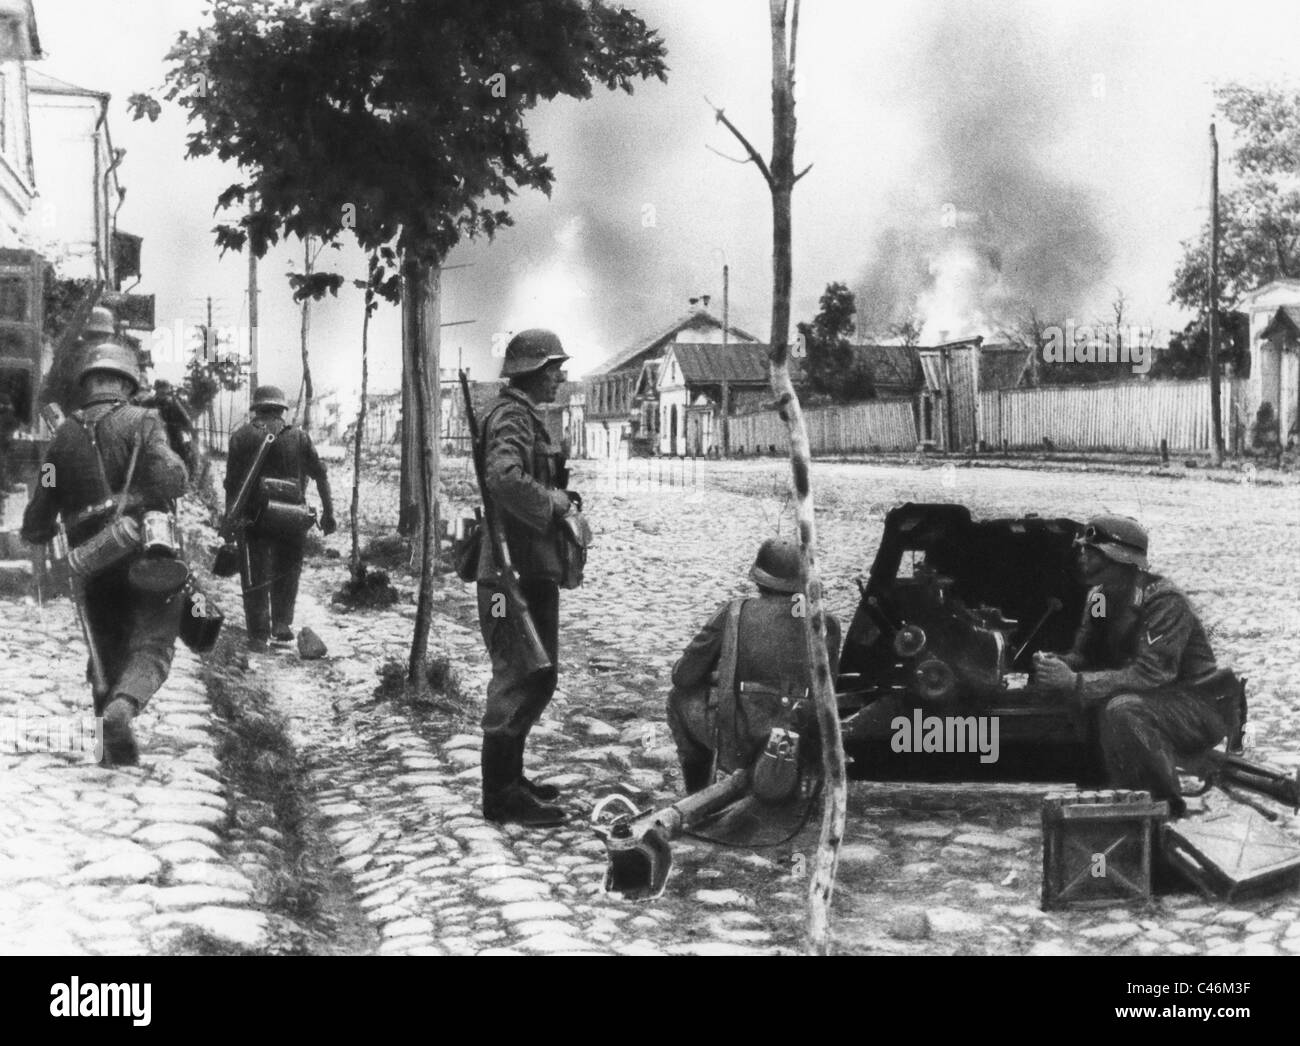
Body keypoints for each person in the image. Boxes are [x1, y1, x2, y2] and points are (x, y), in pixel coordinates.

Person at [21, 340, 189, 766]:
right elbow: (172, 479)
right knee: (153, 640)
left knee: (104, 644)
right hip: (144, 551)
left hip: (89, 559)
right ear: (127, 383)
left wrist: (38, 529)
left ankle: (111, 747)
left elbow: (43, 499)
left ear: (88, 383)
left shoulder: (61, 437)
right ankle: (122, 709)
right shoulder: (146, 420)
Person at [1033, 514, 1231, 817]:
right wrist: (1058, 665)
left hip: (1195, 705)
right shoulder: (1098, 598)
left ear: (1118, 558)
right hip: (1148, 698)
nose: (1082, 557)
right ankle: (1105, 790)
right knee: (1082, 701)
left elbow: (1152, 672)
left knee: (1122, 709)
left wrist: (1075, 682)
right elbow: (1086, 655)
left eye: (1091, 551)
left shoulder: (1164, 600)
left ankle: (1162, 808)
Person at [476, 329, 584, 827]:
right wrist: (552, 503)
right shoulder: (513, 417)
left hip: (530, 566)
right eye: (554, 368)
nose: (560, 377)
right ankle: (499, 795)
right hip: (508, 573)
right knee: (519, 673)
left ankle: (512, 779)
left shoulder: (525, 417)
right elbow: (503, 478)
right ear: (536, 371)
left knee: (538, 672)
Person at [667, 537, 842, 794]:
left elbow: (683, 676)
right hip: (801, 736)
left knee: (678, 699)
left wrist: (720, 675)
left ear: (759, 579)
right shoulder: (827, 623)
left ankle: (698, 793)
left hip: (743, 735)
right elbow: (827, 691)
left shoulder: (735, 612)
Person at [224, 385, 335, 652]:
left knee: (254, 572)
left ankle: (258, 634)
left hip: (253, 519)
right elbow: (320, 475)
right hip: (292, 517)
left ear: (257, 408)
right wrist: (329, 514)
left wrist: (230, 519)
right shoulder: (299, 437)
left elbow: (231, 484)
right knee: (288, 569)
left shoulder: (240, 437)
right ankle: (282, 624)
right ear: (282, 410)